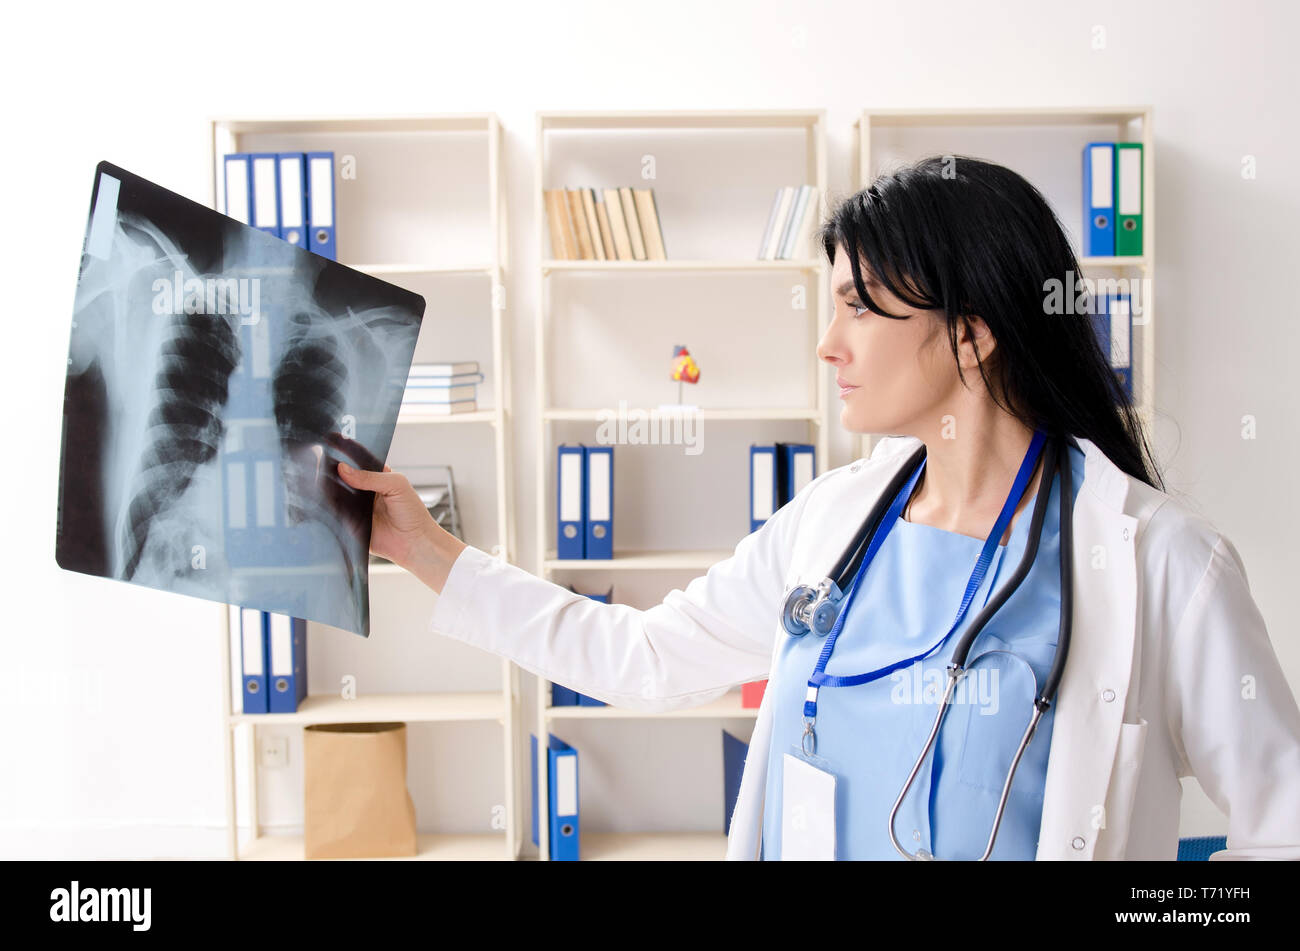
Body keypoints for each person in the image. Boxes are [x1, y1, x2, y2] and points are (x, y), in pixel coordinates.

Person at [338, 156, 1300, 860]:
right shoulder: (833, 522)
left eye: (858, 307)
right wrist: (426, 550)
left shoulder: (1161, 564)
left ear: (970, 336)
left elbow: (1280, 824)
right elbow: (641, 660)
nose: (826, 345)